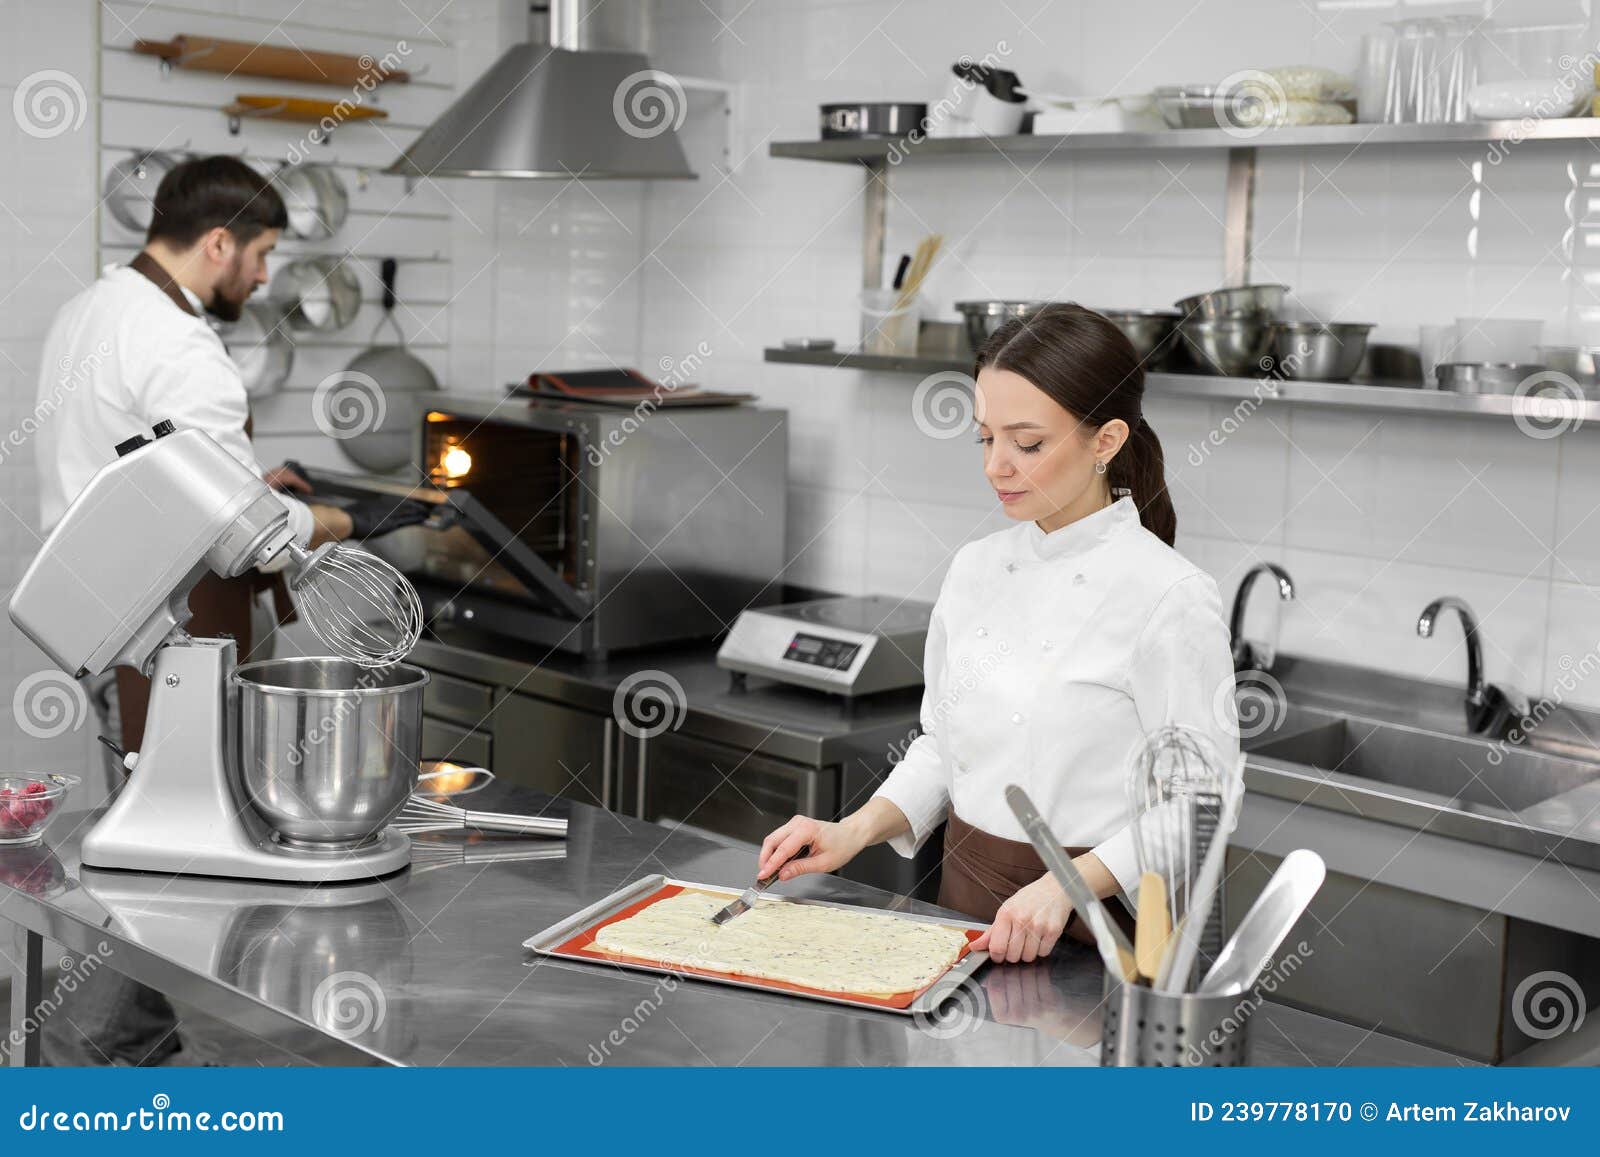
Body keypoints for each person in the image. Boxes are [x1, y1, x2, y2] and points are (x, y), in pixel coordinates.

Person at [33, 155, 425, 1065]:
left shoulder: (89, 312)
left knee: (139, 843)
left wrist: (252, 481)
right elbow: (237, 526)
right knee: (160, 863)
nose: (260, 277)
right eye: (260, 255)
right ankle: (94, 1054)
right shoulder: (179, 343)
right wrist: (338, 517)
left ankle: (136, 1047)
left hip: (97, 619)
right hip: (164, 634)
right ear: (217, 242)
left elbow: (155, 468)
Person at [757, 303, 1239, 965]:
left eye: (1028, 442)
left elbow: (1202, 804)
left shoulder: (1168, 596)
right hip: (963, 916)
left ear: (1107, 440)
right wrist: (853, 830)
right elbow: (945, 746)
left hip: (1098, 934)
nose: (996, 466)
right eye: (985, 438)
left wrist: (1067, 885)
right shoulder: (976, 569)